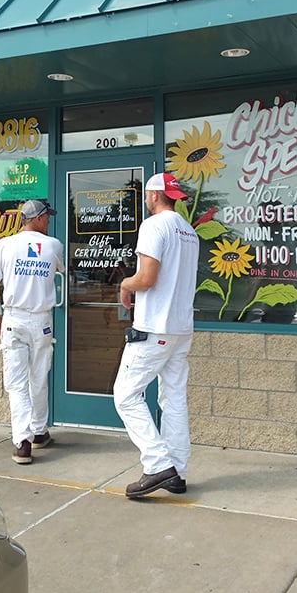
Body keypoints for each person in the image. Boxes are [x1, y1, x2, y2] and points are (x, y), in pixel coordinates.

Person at [113, 172, 200, 498]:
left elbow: (146, 278)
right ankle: (176, 472)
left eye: (147, 197)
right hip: (181, 329)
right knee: (173, 399)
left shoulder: (153, 226)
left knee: (125, 395)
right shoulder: (189, 232)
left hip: (154, 328)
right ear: (174, 197)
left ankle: (158, 464)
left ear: (152, 195)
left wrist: (124, 283)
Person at [0, 198, 64, 465]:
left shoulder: (4, 245)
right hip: (41, 320)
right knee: (38, 377)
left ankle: (22, 442)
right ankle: (39, 431)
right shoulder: (53, 246)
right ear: (38, 219)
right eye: (47, 217)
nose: (49, 221)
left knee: (17, 383)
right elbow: (61, 271)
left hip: (14, 319)